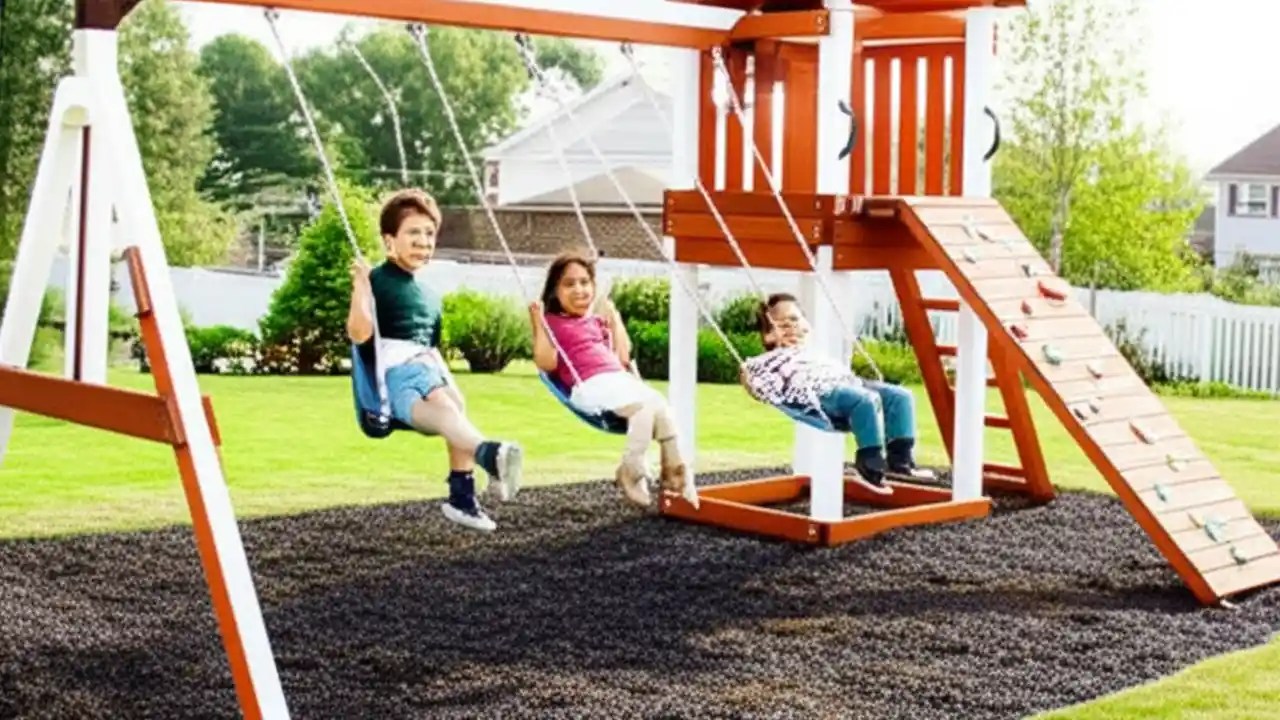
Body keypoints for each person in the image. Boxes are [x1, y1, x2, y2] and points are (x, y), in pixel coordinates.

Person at [347, 188, 523, 533]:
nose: (423, 242)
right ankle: (490, 457)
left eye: (429, 234)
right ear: (389, 240)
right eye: (413, 233)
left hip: (428, 371)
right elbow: (358, 333)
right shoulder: (378, 281)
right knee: (446, 413)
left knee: (454, 408)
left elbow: (434, 347)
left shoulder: (429, 296)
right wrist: (360, 287)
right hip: (396, 378)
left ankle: (463, 495)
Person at [528, 251, 694, 509]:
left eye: (585, 282)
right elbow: (546, 363)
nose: (579, 289)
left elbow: (623, 357)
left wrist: (615, 321)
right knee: (645, 407)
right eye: (569, 284)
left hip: (618, 380)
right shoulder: (552, 322)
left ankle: (671, 467)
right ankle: (633, 469)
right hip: (590, 386)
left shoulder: (596, 321)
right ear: (555, 291)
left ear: (593, 287)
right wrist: (537, 324)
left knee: (660, 404)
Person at [740, 292, 930, 494]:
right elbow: (756, 386)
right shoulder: (767, 362)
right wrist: (748, 378)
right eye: (783, 325)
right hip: (817, 394)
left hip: (846, 383)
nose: (792, 328)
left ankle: (901, 461)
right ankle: (870, 466)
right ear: (768, 335)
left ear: (807, 325)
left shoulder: (813, 354)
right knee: (865, 401)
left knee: (900, 397)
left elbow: (844, 377)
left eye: (795, 320)